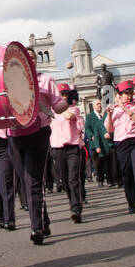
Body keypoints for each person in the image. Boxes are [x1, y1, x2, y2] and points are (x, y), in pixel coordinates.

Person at [4, 65, 70, 245]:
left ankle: (36, 228)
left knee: (33, 180)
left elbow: (57, 106)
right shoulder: (7, 80)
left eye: (32, 57)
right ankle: (43, 219)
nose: (29, 60)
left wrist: (68, 101)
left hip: (38, 132)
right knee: (26, 181)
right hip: (14, 136)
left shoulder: (45, 81)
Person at [105, 81, 135, 215]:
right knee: (127, 172)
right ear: (119, 95)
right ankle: (131, 202)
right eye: (125, 94)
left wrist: (125, 109)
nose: (128, 96)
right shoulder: (114, 109)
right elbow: (109, 130)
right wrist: (109, 114)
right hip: (121, 142)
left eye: (130, 93)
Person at [49, 85, 87, 223]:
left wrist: (59, 109)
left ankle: (76, 208)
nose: (64, 97)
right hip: (57, 148)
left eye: (66, 94)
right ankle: (73, 202)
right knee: (64, 181)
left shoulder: (73, 109)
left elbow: (70, 116)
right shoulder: (51, 111)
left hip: (73, 147)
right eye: (61, 94)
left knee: (73, 178)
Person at [83, 99, 110, 186]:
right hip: (95, 142)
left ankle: (110, 179)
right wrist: (91, 135)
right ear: (94, 106)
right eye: (97, 104)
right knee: (98, 162)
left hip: (105, 142)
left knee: (107, 161)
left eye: (100, 104)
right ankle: (100, 179)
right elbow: (87, 128)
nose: (99, 105)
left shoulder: (106, 114)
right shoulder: (90, 116)